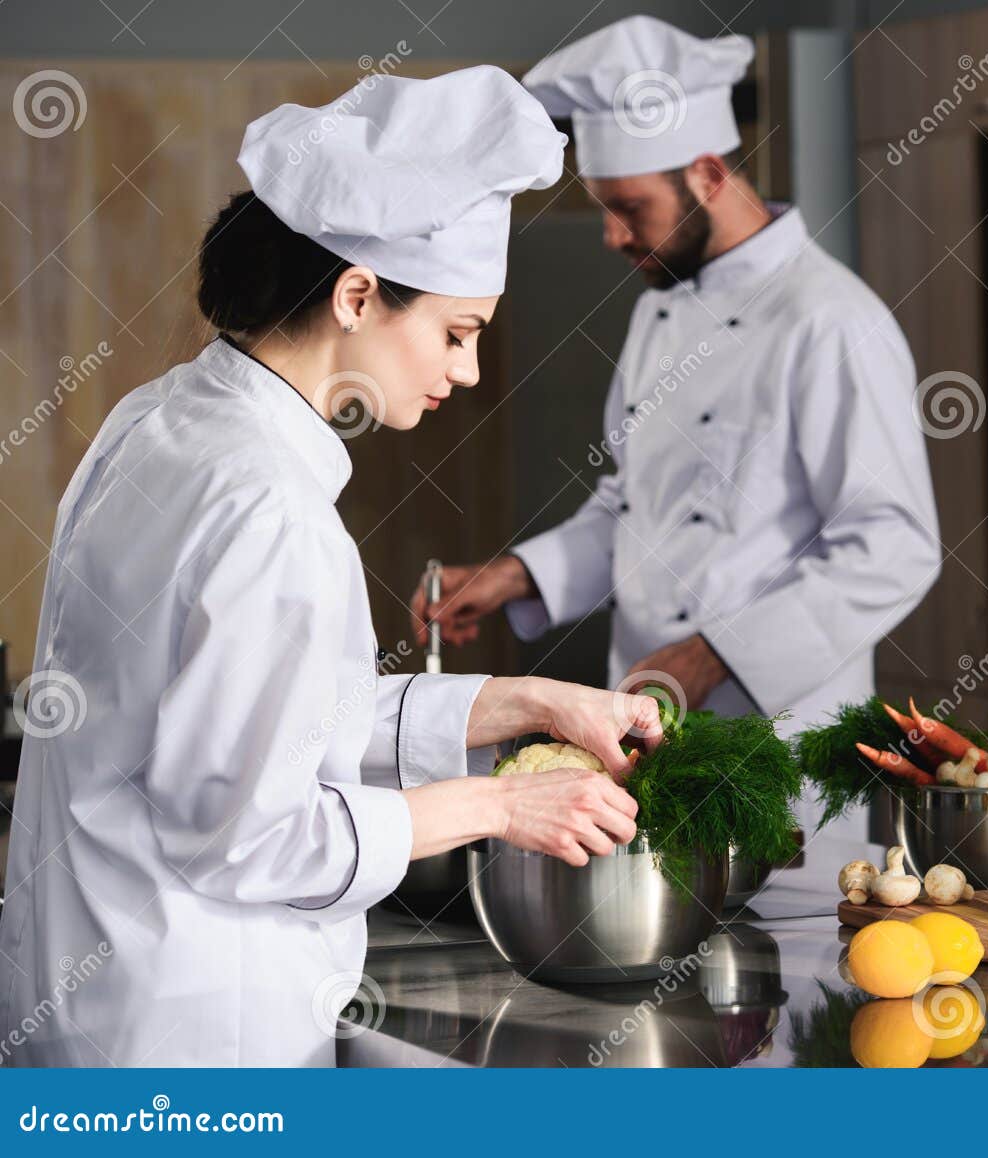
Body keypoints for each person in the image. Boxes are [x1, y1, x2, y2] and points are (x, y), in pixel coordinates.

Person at [0, 66, 661, 1067]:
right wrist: (498, 805)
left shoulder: (160, 421)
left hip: (99, 1008)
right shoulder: (271, 508)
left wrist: (527, 703)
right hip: (198, 1042)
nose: (467, 371)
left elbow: (273, 719)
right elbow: (251, 834)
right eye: (456, 332)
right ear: (358, 294)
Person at [410, 18, 942, 821]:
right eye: (605, 209)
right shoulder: (663, 312)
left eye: (630, 208)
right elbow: (637, 505)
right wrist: (518, 575)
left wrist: (713, 654)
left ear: (705, 174)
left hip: (783, 755)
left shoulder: (830, 321)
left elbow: (895, 545)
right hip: (653, 735)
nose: (613, 236)